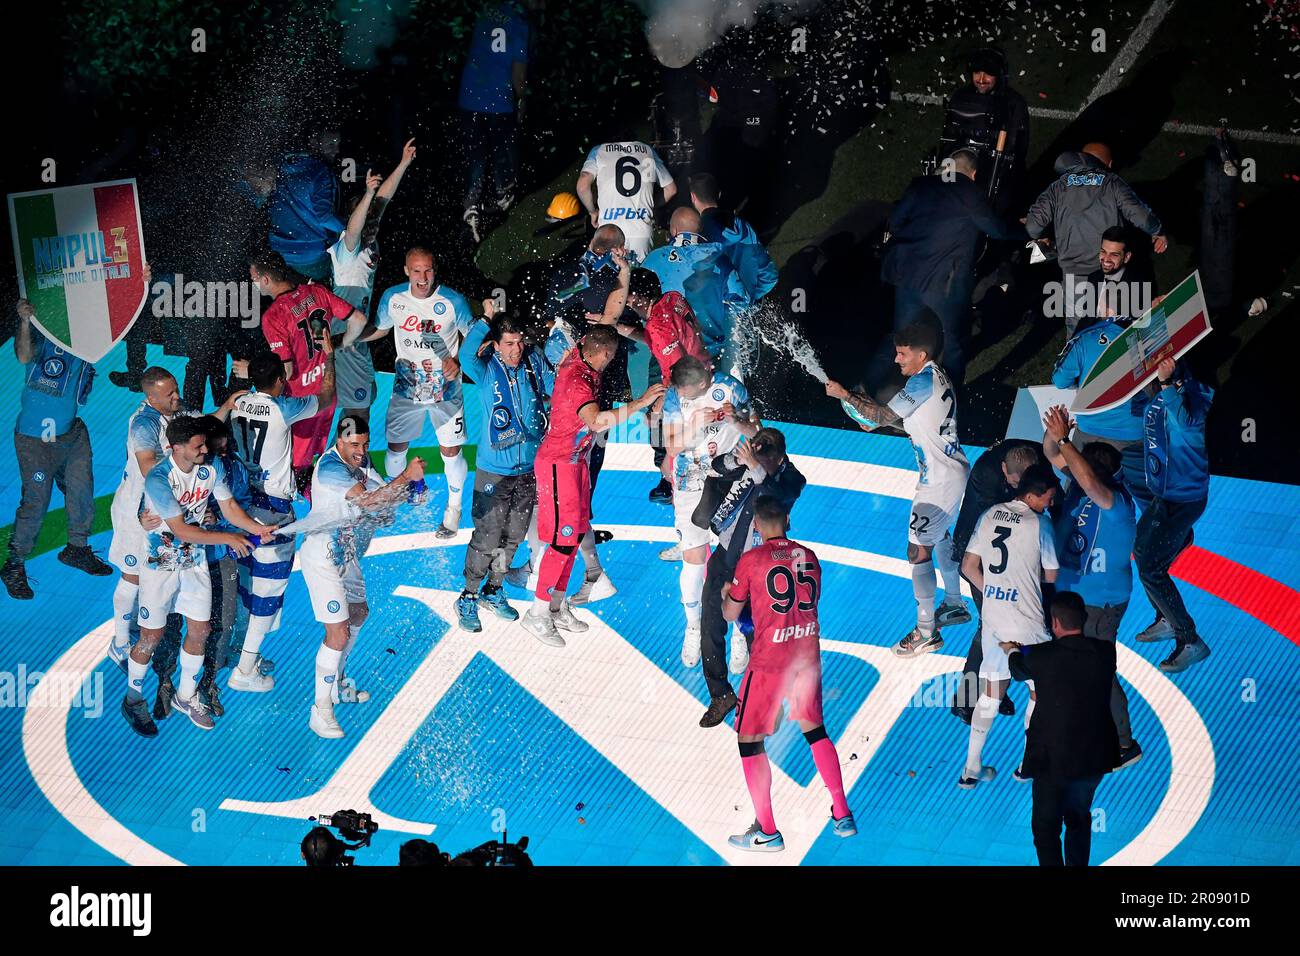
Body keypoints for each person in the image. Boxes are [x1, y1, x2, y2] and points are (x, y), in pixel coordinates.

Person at [826, 322, 970, 659]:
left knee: (917, 552)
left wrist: (846, 396)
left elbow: (879, 415)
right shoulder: (934, 376)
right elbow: (897, 419)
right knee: (941, 537)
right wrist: (874, 415)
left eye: (902, 353)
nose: (896, 359)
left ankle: (925, 631)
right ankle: (953, 604)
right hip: (947, 472)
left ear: (921, 355)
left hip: (938, 481)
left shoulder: (920, 382)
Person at [723, 496, 856, 851]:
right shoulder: (809, 557)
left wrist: (729, 594)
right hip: (806, 653)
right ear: (788, 521)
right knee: (816, 732)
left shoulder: (751, 560)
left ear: (756, 525)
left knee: (749, 741)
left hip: (770, 660)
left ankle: (767, 832)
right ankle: (842, 814)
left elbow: (730, 614)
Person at [522, 325, 664, 646]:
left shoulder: (581, 359)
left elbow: (580, 337)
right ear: (605, 354)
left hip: (576, 464)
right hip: (558, 466)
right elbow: (597, 421)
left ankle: (556, 606)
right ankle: (538, 613)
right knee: (563, 540)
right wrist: (640, 402)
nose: (611, 361)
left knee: (575, 536)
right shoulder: (576, 381)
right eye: (612, 357)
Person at [122, 415, 264, 737]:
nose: (205, 449)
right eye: (198, 445)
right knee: (151, 638)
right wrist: (229, 538)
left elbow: (228, 509)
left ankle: (186, 695)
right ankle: (133, 699)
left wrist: (257, 529)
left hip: (194, 564)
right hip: (160, 568)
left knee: (201, 629)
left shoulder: (209, 469)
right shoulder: (159, 479)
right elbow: (182, 529)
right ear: (176, 448)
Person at [299, 415, 426, 738]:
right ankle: (320, 709)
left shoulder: (359, 460)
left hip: (347, 551)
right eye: (354, 444)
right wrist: (406, 477)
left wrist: (406, 490)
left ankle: (338, 684)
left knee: (358, 613)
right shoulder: (331, 469)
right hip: (323, 557)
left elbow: (380, 496)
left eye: (366, 444)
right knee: (337, 634)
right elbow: (371, 499)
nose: (361, 451)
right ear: (338, 441)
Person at [225, 341, 337, 693]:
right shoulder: (283, 408)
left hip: (241, 505)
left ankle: (240, 652)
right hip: (273, 510)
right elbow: (327, 397)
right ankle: (244, 669)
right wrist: (328, 356)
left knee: (247, 587)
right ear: (278, 380)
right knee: (267, 595)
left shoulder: (239, 402)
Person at [1041, 406, 1142, 768]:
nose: (1084, 471)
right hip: (1073, 598)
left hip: (1099, 605)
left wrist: (1068, 441)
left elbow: (1087, 481)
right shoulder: (1079, 484)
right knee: (1079, 671)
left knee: (1100, 672)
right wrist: (1057, 433)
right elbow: (1052, 454)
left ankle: (1124, 744)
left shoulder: (1116, 502)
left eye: (1090, 467)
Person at [879, 149, 1028, 385]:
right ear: (974, 173)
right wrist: (1029, 230)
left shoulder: (920, 186)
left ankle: (894, 390)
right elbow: (997, 230)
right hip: (944, 286)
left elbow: (896, 223)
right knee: (952, 344)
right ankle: (950, 394)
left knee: (901, 339)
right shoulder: (969, 193)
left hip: (907, 278)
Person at [2, 298, 112, 599]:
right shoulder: (42, 324)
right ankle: (15, 563)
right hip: (35, 438)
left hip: (70, 432)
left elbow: (119, 322)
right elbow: (23, 355)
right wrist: (24, 320)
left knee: (81, 489)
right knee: (36, 502)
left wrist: (138, 284)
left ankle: (77, 548)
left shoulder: (87, 334)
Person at [958, 463, 1060, 789]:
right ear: (1031, 495)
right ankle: (1026, 765)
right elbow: (1051, 577)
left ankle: (971, 768)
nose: (1051, 504)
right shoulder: (1039, 524)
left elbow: (968, 567)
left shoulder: (990, 515)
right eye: (1048, 498)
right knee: (1040, 693)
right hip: (1028, 622)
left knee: (990, 693)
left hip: (995, 619)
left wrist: (992, 591)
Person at [455, 301, 554, 632]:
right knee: (487, 535)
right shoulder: (483, 369)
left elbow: (552, 389)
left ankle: (493, 590)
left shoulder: (532, 365)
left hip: (527, 469)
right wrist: (485, 319)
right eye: (509, 343)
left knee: (513, 536)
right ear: (495, 345)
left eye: (519, 342)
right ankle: (468, 595)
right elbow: (466, 353)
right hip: (493, 471)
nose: (516, 349)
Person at [697, 428, 805, 727]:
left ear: (780, 457)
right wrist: (736, 458)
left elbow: (778, 496)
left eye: (765, 460)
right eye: (757, 457)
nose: (758, 463)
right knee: (710, 625)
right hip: (725, 556)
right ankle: (720, 695)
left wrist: (757, 470)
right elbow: (716, 468)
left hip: (759, 567)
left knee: (757, 637)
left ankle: (769, 699)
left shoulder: (793, 479)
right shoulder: (748, 461)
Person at [363, 248, 474, 538]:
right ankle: (398, 494)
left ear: (434, 270)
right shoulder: (393, 298)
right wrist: (343, 338)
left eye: (428, 270)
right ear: (406, 271)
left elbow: (475, 335)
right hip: (407, 386)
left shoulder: (453, 301)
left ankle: (454, 508)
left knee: (450, 451)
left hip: (446, 387)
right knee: (396, 447)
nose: (422, 278)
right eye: (416, 271)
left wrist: (459, 361)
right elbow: (379, 329)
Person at [1005, 591, 1120, 866]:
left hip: (1050, 758)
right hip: (1093, 756)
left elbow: (1019, 669)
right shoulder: (1105, 653)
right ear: (1082, 619)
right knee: (1078, 818)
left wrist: (1012, 649)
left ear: (1054, 623)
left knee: (1045, 828)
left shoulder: (1042, 656)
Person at [661, 355, 759, 667]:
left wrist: (736, 421)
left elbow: (757, 430)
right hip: (691, 478)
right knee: (694, 557)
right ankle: (693, 626)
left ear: (706, 377)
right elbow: (671, 446)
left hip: (731, 475)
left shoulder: (732, 388)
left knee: (737, 560)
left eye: (697, 388)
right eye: (687, 392)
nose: (691, 394)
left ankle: (741, 632)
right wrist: (693, 424)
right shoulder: (673, 398)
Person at [251, 250, 367, 494]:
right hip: (327, 393)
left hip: (302, 404)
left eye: (253, 278)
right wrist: (341, 343)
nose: (252, 283)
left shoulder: (273, 316)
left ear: (265, 280)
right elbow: (358, 319)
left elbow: (288, 369)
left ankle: (323, 512)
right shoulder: (316, 292)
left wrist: (252, 370)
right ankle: (338, 505)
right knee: (318, 460)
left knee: (296, 471)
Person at [947, 439, 1046, 721]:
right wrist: (996, 591)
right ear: (1004, 470)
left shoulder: (1033, 463)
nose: (1021, 489)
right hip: (975, 549)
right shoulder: (986, 476)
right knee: (988, 625)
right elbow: (996, 526)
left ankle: (994, 690)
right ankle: (966, 698)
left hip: (999, 550)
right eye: (1016, 484)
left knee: (1000, 625)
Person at [1025, 142, 1167, 336]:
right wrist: (1157, 231)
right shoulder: (1111, 181)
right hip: (1112, 275)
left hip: (1074, 278)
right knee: (1117, 334)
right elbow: (1142, 216)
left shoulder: (1058, 187)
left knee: (1077, 338)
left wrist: (1044, 239)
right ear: (1108, 164)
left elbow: (1033, 226)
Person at [1131, 358, 1214, 674]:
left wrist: (1166, 383)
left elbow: (1180, 419)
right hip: (1167, 497)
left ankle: (1189, 640)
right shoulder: (1168, 397)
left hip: (1181, 501)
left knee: (1151, 569)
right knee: (1141, 551)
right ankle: (1165, 617)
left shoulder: (1191, 410)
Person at [328, 138, 417, 422]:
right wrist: (367, 194)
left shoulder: (370, 238)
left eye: (374, 221)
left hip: (355, 331)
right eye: (367, 220)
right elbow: (355, 228)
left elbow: (383, 201)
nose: (372, 226)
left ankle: (346, 457)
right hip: (344, 336)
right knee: (356, 413)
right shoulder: (348, 248)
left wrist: (403, 164)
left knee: (358, 409)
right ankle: (342, 458)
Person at [106, 368, 186, 671]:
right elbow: (149, 466)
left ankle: (146, 631)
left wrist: (226, 408)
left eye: (176, 390)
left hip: (158, 508)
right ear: (151, 397)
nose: (176, 397)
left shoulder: (176, 411)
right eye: (170, 394)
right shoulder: (144, 423)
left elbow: (200, 427)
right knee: (133, 576)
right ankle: (120, 643)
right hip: (135, 512)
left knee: (156, 574)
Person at [642, 207, 759, 379]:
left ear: (673, 231)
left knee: (660, 402)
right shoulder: (718, 255)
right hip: (706, 352)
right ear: (700, 231)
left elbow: (636, 302)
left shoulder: (654, 258)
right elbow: (742, 301)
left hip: (666, 350)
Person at [459, 0, 535, 240]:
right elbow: (518, 70)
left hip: (470, 96)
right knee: (503, 149)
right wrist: (522, 99)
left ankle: (471, 205)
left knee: (476, 154)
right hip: (499, 100)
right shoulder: (520, 23)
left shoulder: (481, 9)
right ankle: (504, 198)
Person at [1050, 311, 1146, 491]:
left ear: (1109, 311)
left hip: (1089, 430)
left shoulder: (1086, 339)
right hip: (1132, 433)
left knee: (1080, 490)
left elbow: (1060, 381)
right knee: (1136, 495)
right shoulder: (1149, 334)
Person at [643, 286, 710, 507]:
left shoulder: (659, 320)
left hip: (685, 381)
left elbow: (675, 374)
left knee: (665, 438)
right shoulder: (671, 299)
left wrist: (655, 410)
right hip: (689, 375)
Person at [576, 137, 677, 264]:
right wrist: (649, 206)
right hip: (640, 230)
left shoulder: (599, 150)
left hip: (608, 231)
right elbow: (671, 189)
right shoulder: (647, 150)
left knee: (607, 279)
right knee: (637, 279)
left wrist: (592, 211)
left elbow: (582, 186)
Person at [268, 136, 344, 283]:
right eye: (331, 143)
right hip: (312, 258)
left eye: (337, 143)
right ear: (314, 142)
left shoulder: (280, 167)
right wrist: (350, 227)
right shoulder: (319, 171)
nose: (337, 150)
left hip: (278, 256)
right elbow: (325, 217)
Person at [1083, 226, 1155, 325]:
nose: (1106, 259)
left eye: (1114, 255)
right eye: (1103, 251)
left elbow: (1141, 324)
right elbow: (1085, 320)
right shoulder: (1093, 278)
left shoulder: (1138, 283)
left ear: (1126, 257)